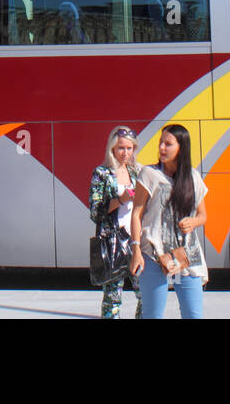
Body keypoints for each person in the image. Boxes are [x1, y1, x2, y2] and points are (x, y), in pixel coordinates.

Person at [129, 124, 208, 319]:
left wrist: (193, 222)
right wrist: (136, 250)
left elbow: (203, 216)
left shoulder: (193, 177)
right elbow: (136, 213)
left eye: (168, 144)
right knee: (152, 315)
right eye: (161, 143)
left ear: (182, 147)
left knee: (193, 314)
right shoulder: (149, 174)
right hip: (154, 254)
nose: (162, 148)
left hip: (186, 255)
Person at [88, 126, 142, 318]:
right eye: (121, 148)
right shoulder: (102, 173)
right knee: (112, 298)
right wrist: (121, 199)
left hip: (136, 241)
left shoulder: (137, 172)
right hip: (113, 242)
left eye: (129, 148)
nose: (125, 153)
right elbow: (95, 212)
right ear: (112, 148)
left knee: (144, 293)